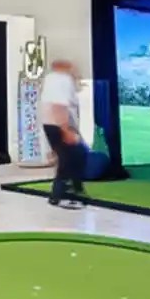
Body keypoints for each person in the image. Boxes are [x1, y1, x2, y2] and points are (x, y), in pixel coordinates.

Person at [40, 60, 87, 209]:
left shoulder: (51, 79)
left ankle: (76, 189)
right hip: (60, 124)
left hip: (50, 124)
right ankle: (60, 194)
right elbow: (59, 106)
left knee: (73, 155)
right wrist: (66, 129)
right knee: (71, 157)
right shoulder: (63, 80)